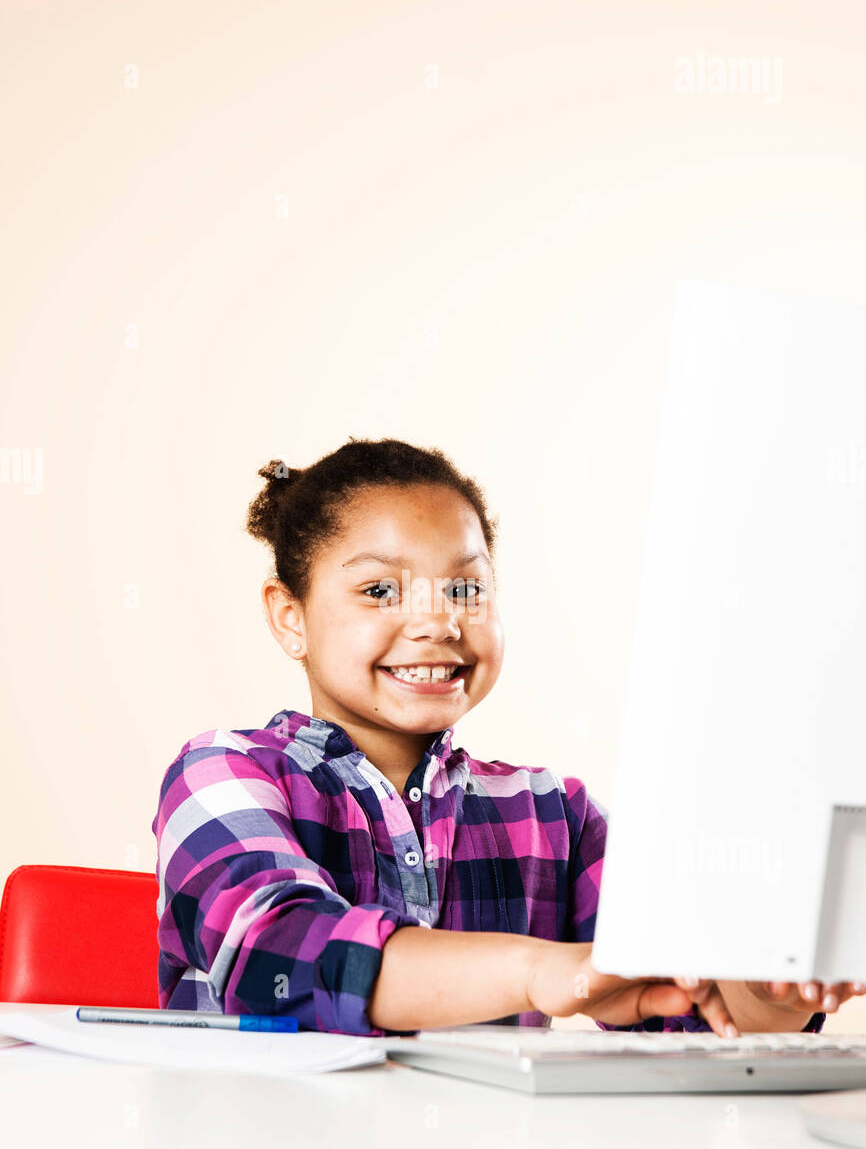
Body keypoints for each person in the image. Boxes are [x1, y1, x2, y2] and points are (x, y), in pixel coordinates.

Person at [152, 437, 863, 1037]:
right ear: (289, 616)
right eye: (379, 591)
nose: (437, 624)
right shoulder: (222, 772)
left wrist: (764, 995)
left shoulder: (554, 812)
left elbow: (683, 999)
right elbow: (280, 955)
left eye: (466, 589)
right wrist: (537, 969)